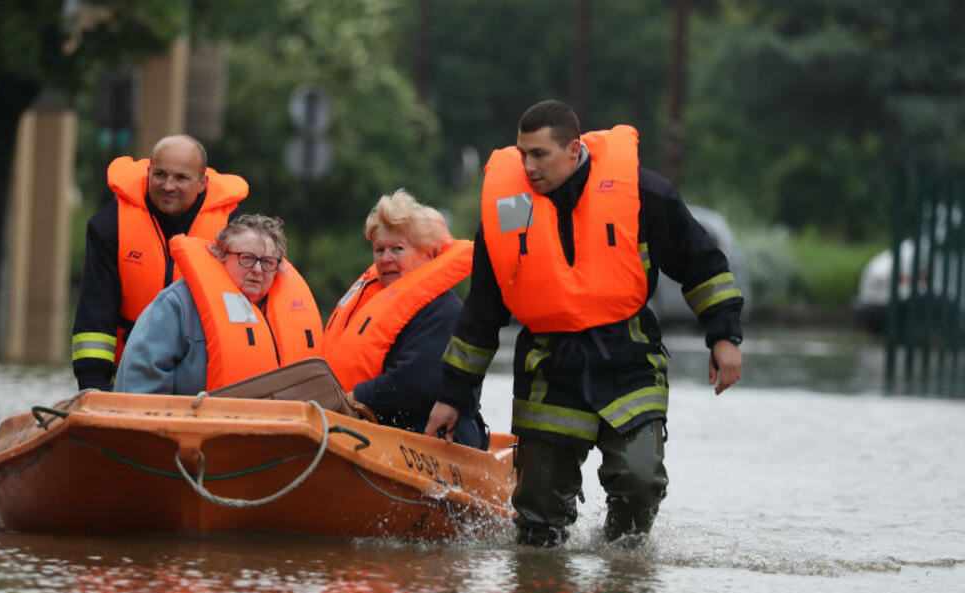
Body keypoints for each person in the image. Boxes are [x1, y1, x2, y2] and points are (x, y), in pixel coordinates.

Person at [425, 100, 744, 547]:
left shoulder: (643, 195)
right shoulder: (507, 209)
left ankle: (619, 569)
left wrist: (724, 336)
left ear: (573, 149)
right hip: (548, 367)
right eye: (522, 154)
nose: (528, 167)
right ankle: (542, 584)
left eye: (540, 154)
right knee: (538, 518)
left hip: (629, 359)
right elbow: (481, 311)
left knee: (639, 484)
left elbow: (702, 263)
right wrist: (453, 395)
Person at [71, 134, 249, 391]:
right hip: (130, 377)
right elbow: (95, 311)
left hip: (206, 381)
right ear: (148, 173)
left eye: (181, 178)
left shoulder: (234, 231)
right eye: (160, 175)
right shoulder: (110, 225)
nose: (168, 186)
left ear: (202, 183)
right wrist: (93, 388)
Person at [323, 190, 488, 448]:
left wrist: (352, 398)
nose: (385, 259)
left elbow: (417, 381)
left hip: (437, 440)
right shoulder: (373, 305)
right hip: (376, 432)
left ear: (429, 254)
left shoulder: (444, 311)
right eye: (379, 250)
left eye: (397, 249)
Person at [114, 214, 322, 395]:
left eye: (267, 262)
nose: (257, 270)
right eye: (246, 258)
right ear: (221, 256)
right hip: (192, 426)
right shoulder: (175, 306)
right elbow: (139, 383)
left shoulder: (290, 315)